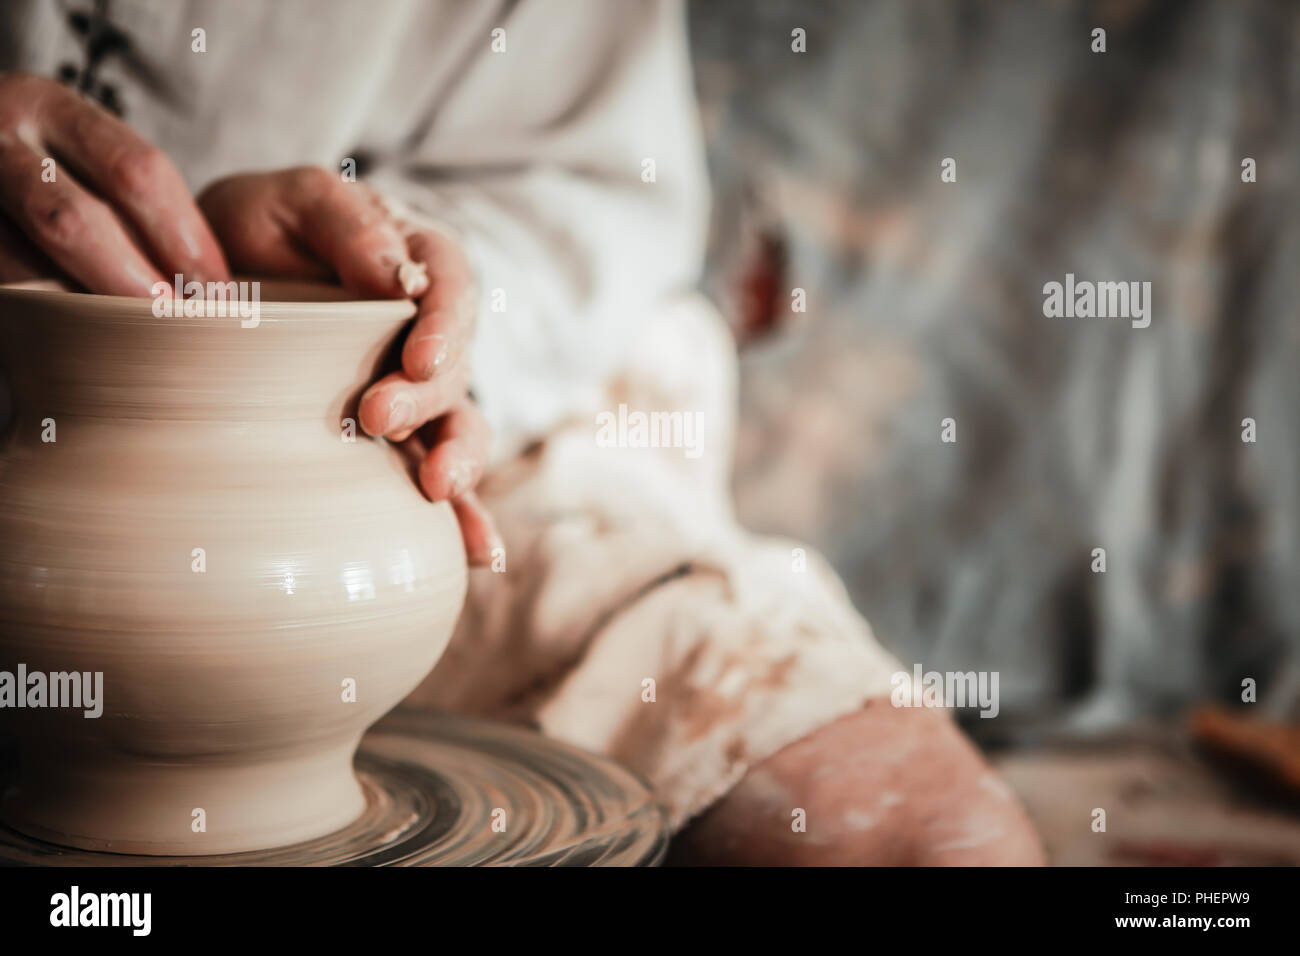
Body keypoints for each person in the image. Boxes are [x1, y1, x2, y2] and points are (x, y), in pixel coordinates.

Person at [0, 0, 1043, 864]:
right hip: (49, 461)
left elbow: (583, 191)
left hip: (376, 441)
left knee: (920, 834)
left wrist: (398, 283)